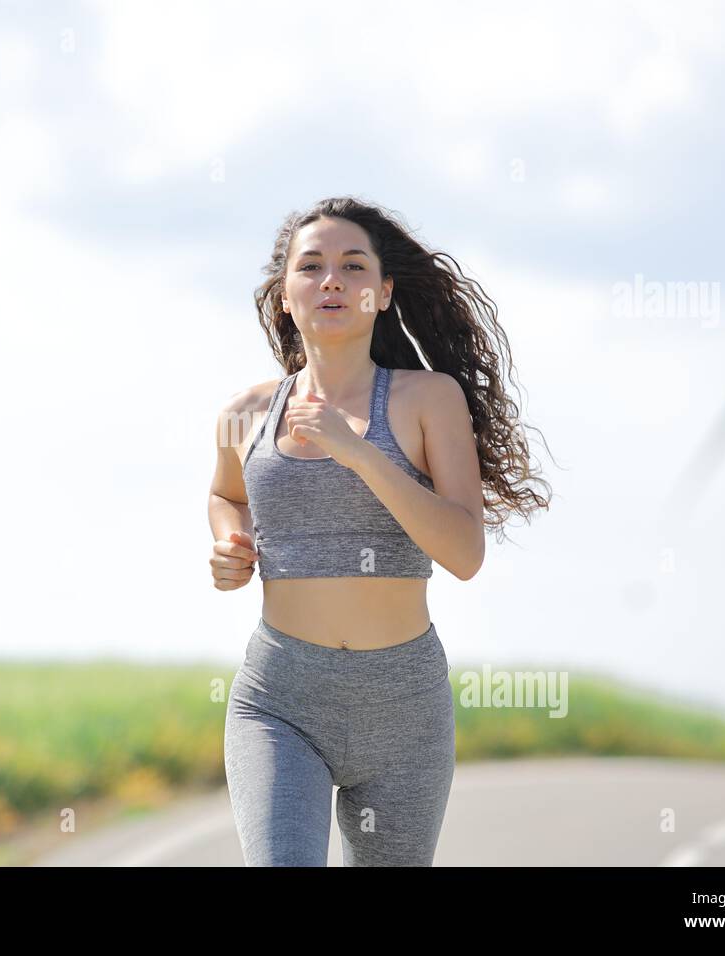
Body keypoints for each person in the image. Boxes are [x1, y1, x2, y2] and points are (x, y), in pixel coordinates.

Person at [208, 196, 552, 866]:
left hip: (403, 707)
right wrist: (231, 542)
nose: (331, 280)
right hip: (280, 700)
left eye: (353, 265)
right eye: (311, 266)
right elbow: (225, 494)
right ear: (285, 295)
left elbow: (463, 553)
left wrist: (360, 452)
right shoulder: (243, 412)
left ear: (384, 292)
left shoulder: (429, 400)